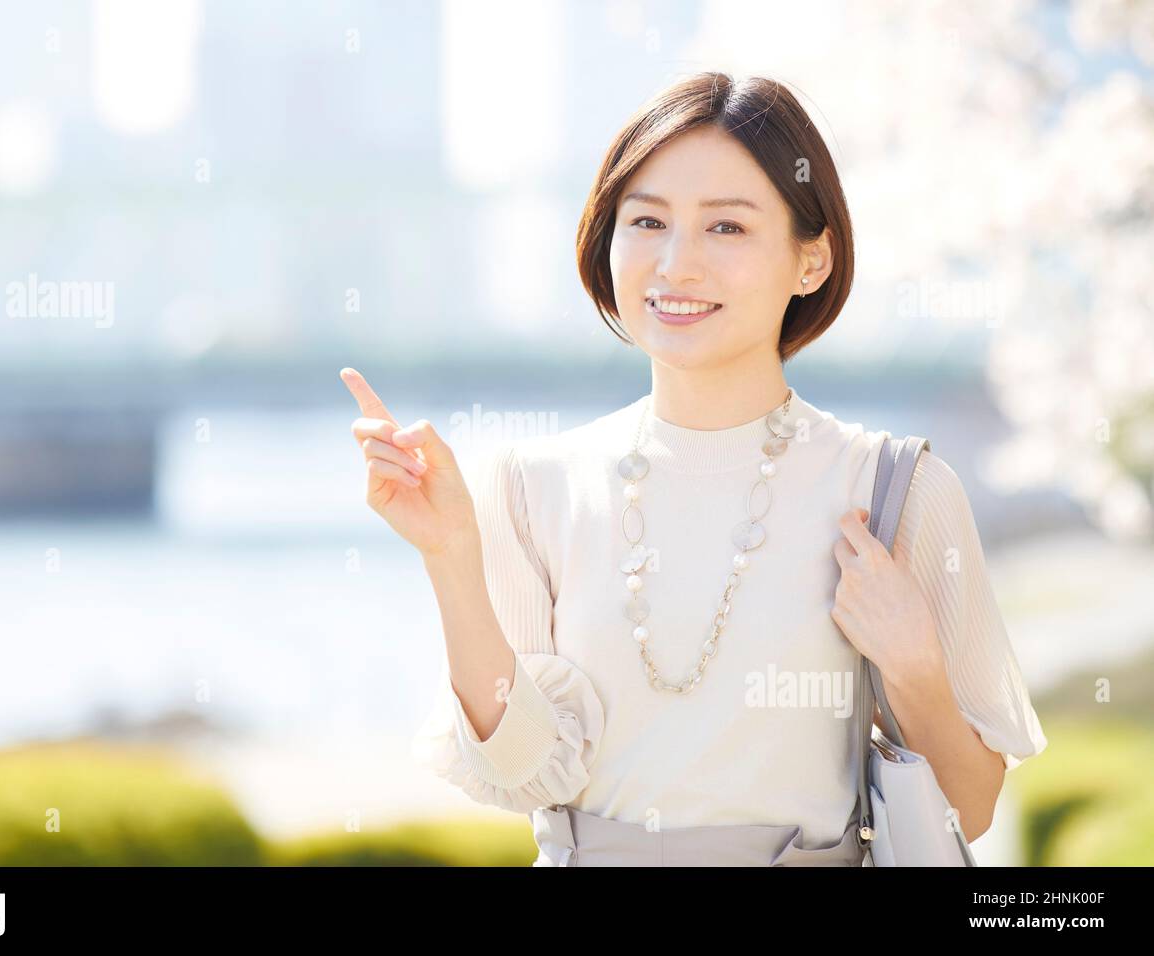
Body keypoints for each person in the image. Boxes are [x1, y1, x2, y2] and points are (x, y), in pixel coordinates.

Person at [340, 71, 1047, 866]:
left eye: (727, 229)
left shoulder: (894, 488)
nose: (676, 264)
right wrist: (451, 559)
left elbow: (973, 808)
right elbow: (522, 769)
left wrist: (913, 663)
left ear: (811, 261)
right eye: (646, 221)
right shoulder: (531, 484)